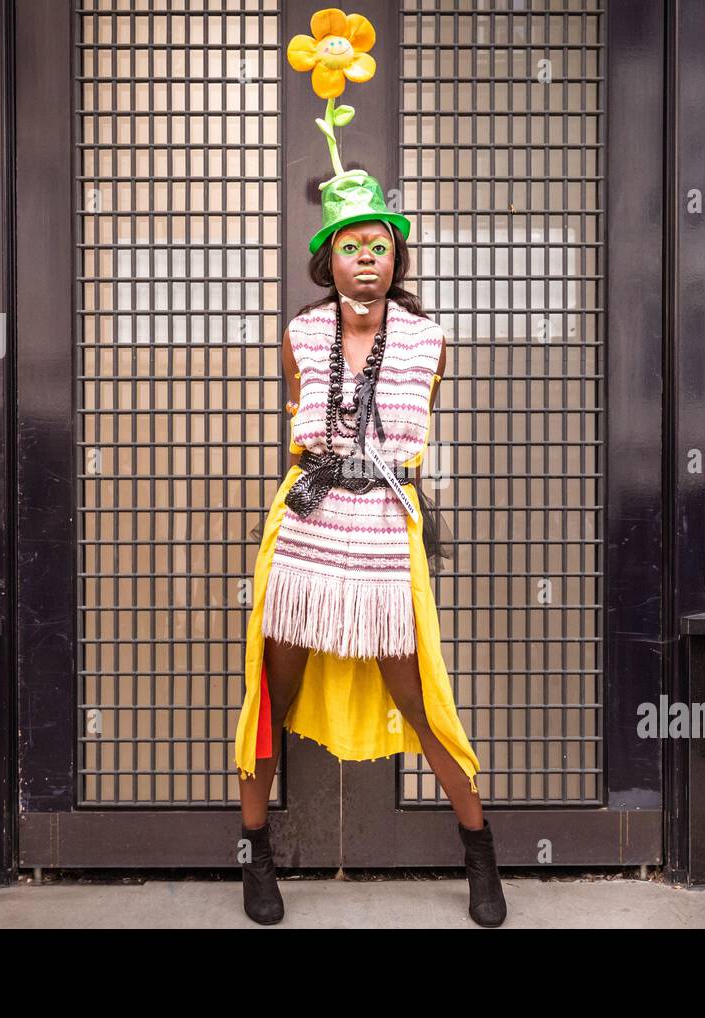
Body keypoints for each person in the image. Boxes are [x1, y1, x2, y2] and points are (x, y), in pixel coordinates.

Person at [232, 169, 507, 928]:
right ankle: (257, 856)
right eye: (350, 246)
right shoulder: (300, 336)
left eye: (378, 246)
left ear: (396, 258)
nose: (365, 258)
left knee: (420, 700)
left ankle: (479, 854)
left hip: (386, 532)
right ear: (328, 260)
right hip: (306, 532)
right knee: (271, 698)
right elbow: (303, 424)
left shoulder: (428, 341)